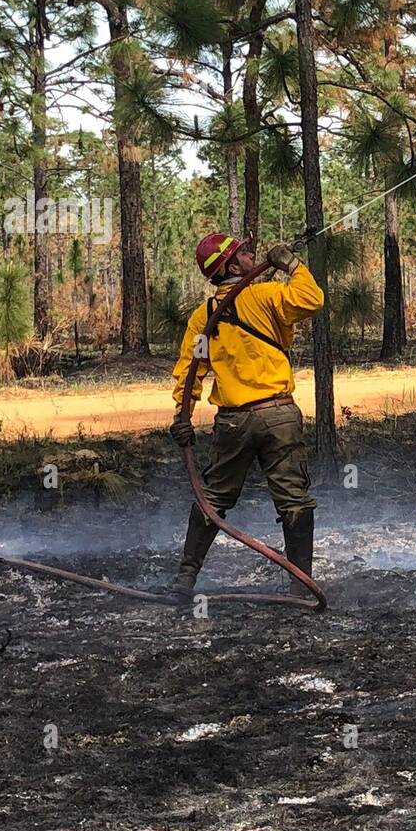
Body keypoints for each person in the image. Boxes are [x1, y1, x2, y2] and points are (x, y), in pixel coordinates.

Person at [167, 233, 325, 599]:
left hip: (233, 422)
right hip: (278, 415)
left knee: (213, 497)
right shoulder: (267, 296)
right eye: (244, 252)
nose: (252, 255)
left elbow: (190, 370)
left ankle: (185, 579)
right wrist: (293, 265)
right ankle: (302, 586)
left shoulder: (204, 317)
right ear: (233, 266)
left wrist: (184, 414)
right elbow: (311, 299)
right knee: (294, 499)